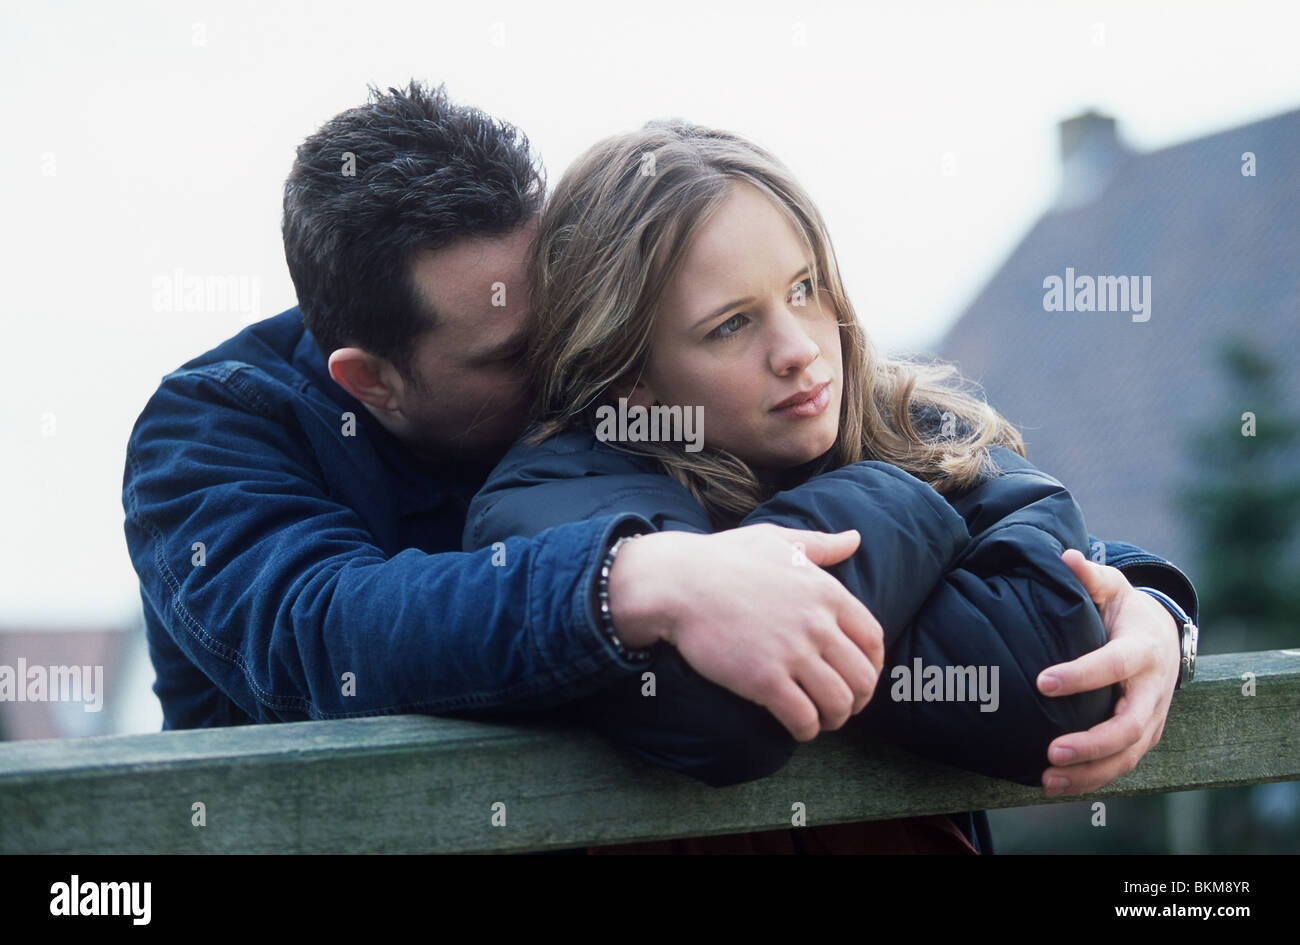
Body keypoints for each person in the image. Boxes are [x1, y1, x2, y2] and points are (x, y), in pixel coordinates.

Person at [121, 82, 1198, 853]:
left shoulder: (684, 418)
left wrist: (1143, 602)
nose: (573, 365)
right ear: (371, 382)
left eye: (577, 315)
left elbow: (978, 496)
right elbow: (327, 632)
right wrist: (637, 581)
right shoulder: (214, 437)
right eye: (515, 356)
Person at [463, 117, 1202, 852]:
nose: (798, 349)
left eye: (805, 287)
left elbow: (1052, 673)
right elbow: (724, 712)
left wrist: (1162, 609)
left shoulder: (920, 430)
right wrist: (907, 504)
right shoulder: (546, 498)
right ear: (632, 379)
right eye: (730, 325)